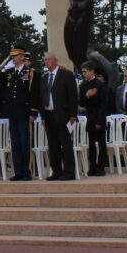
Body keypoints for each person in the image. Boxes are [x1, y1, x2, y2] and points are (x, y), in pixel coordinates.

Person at [33, 52, 78, 180]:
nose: (47, 62)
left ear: (55, 60)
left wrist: (73, 114)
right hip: (48, 115)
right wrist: (42, 116)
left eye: (49, 59)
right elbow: (41, 97)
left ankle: (69, 172)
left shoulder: (66, 75)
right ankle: (56, 171)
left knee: (66, 144)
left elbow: (72, 95)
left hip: (63, 115)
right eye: (45, 60)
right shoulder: (44, 77)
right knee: (53, 145)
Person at [0, 48, 34, 181]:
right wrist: (5, 62)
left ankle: (26, 171)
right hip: (12, 112)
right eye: (11, 57)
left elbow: (33, 94)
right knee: (15, 143)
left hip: (24, 112)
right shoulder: (9, 72)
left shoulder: (30, 73)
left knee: (25, 143)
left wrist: (33, 112)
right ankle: (18, 171)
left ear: (22, 57)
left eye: (15, 56)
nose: (13, 59)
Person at [77, 60, 107, 177]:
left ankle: (101, 167)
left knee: (101, 143)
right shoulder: (83, 85)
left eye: (85, 71)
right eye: (83, 72)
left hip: (99, 117)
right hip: (90, 116)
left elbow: (104, 104)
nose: (84, 74)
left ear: (91, 71)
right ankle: (92, 167)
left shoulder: (100, 85)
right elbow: (81, 103)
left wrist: (100, 121)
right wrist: (87, 95)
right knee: (91, 143)